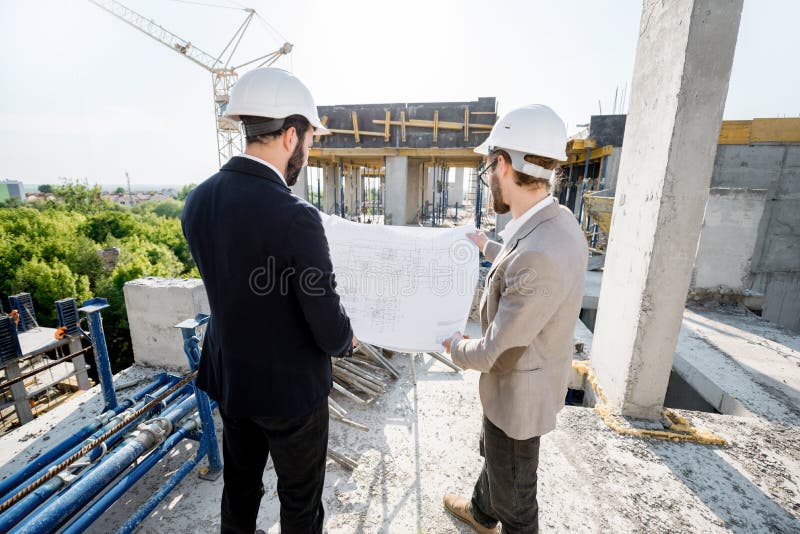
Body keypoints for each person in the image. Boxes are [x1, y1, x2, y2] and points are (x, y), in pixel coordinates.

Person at [181, 67, 355, 534]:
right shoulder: (296, 216)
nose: (308, 152)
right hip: (291, 392)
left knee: (240, 487)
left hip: (233, 379)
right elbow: (326, 321)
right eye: (309, 141)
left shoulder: (197, 201)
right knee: (299, 502)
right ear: (291, 134)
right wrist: (348, 339)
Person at [441, 105, 588, 533]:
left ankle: (496, 515)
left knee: (518, 502)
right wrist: (486, 245)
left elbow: (497, 352)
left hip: (519, 395)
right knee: (497, 461)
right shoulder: (553, 223)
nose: (488, 177)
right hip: (528, 382)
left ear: (502, 165)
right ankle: (482, 513)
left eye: (489, 166)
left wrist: (454, 347)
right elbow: (521, 268)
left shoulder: (540, 249)